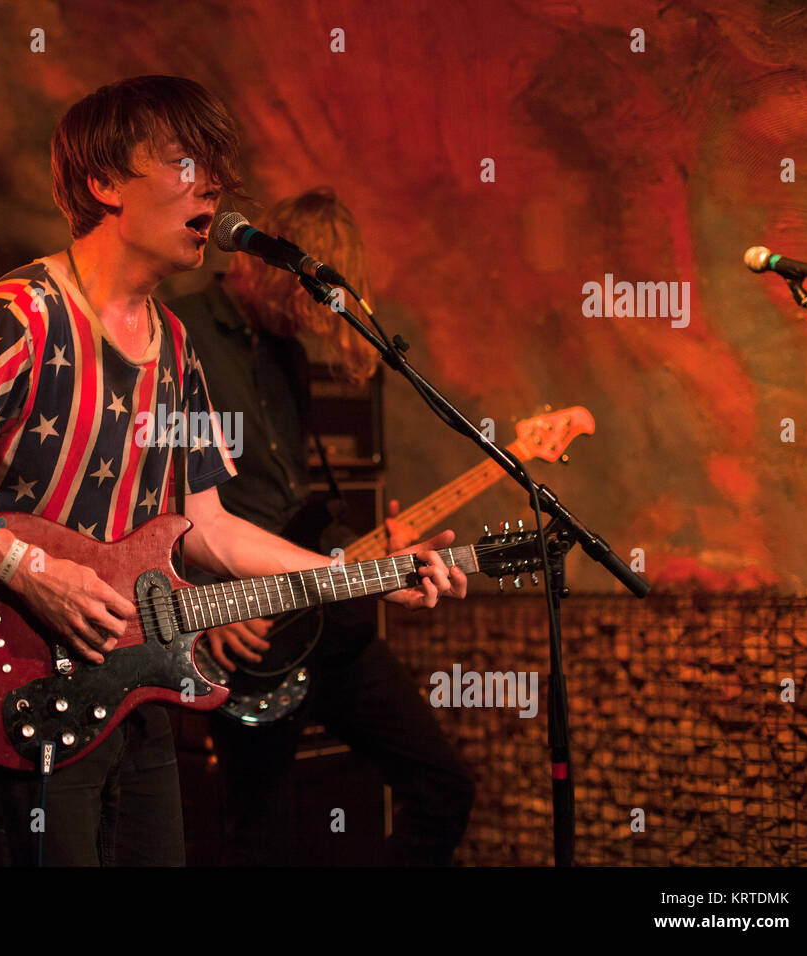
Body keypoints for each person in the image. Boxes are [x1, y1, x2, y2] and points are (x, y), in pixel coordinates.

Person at [0, 78, 467, 866]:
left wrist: (366, 575)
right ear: (104, 183)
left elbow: (209, 529)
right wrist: (29, 570)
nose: (214, 186)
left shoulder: (173, 344)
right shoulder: (26, 315)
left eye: (217, 168)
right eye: (183, 161)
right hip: (18, 680)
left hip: (135, 689)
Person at [168, 188, 477, 865]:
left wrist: (366, 550)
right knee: (261, 837)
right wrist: (201, 605)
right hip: (241, 628)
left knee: (443, 786)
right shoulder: (178, 331)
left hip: (321, 614)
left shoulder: (287, 354)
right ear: (259, 267)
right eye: (295, 299)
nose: (305, 318)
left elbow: (290, 500)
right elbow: (153, 497)